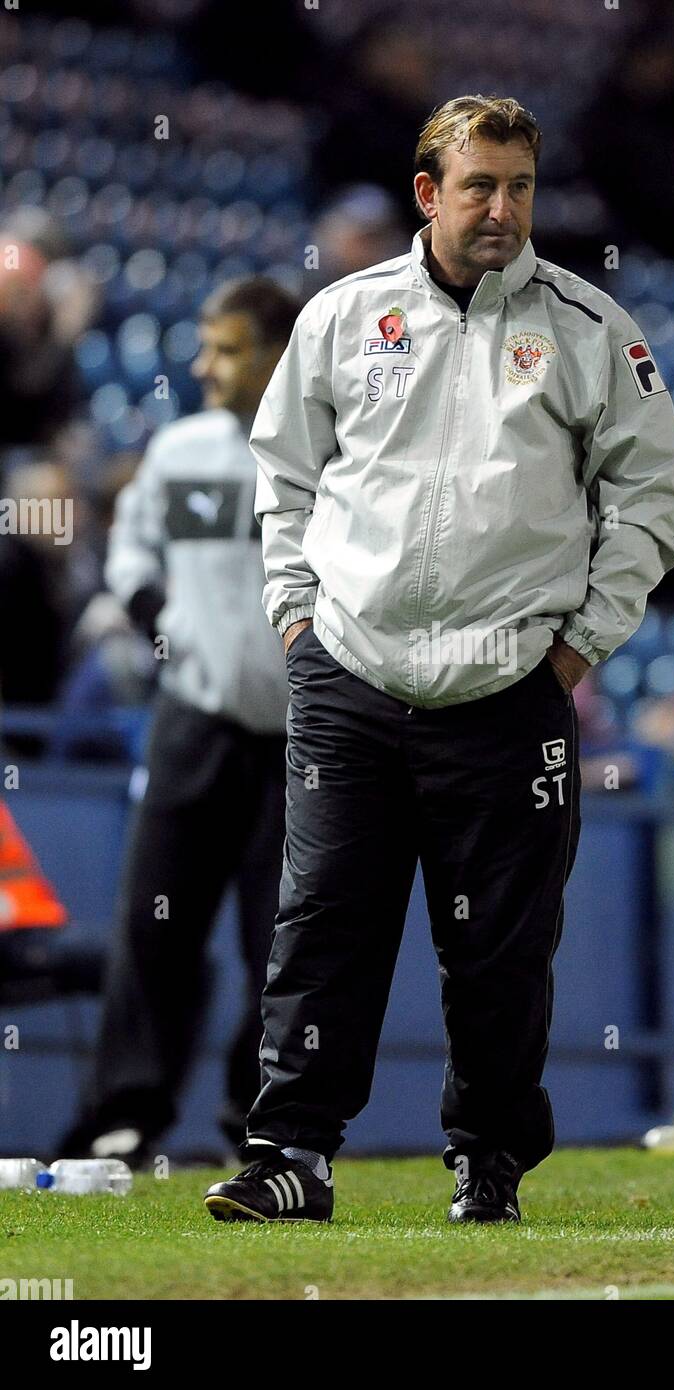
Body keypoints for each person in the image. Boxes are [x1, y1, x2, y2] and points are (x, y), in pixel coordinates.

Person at [204, 95, 674, 1225]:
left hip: (511, 691)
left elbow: (650, 499)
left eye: (518, 188)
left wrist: (576, 650)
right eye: (479, 187)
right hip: (347, 676)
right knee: (321, 922)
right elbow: (283, 476)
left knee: (499, 955)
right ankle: (291, 1155)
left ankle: (488, 1164)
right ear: (428, 193)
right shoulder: (340, 316)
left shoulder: (590, 328)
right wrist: (295, 619)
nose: (501, 210)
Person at [57, 277, 301, 1167]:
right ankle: (125, 1115)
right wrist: (164, 614)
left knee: (283, 944)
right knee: (153, 927)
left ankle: (262, 1126)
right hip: (192, 722)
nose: (204, 365)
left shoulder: (336, 455)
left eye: (227, 348)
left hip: (301, 740)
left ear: (279, 353)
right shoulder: (180, 449)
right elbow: (129, 552)